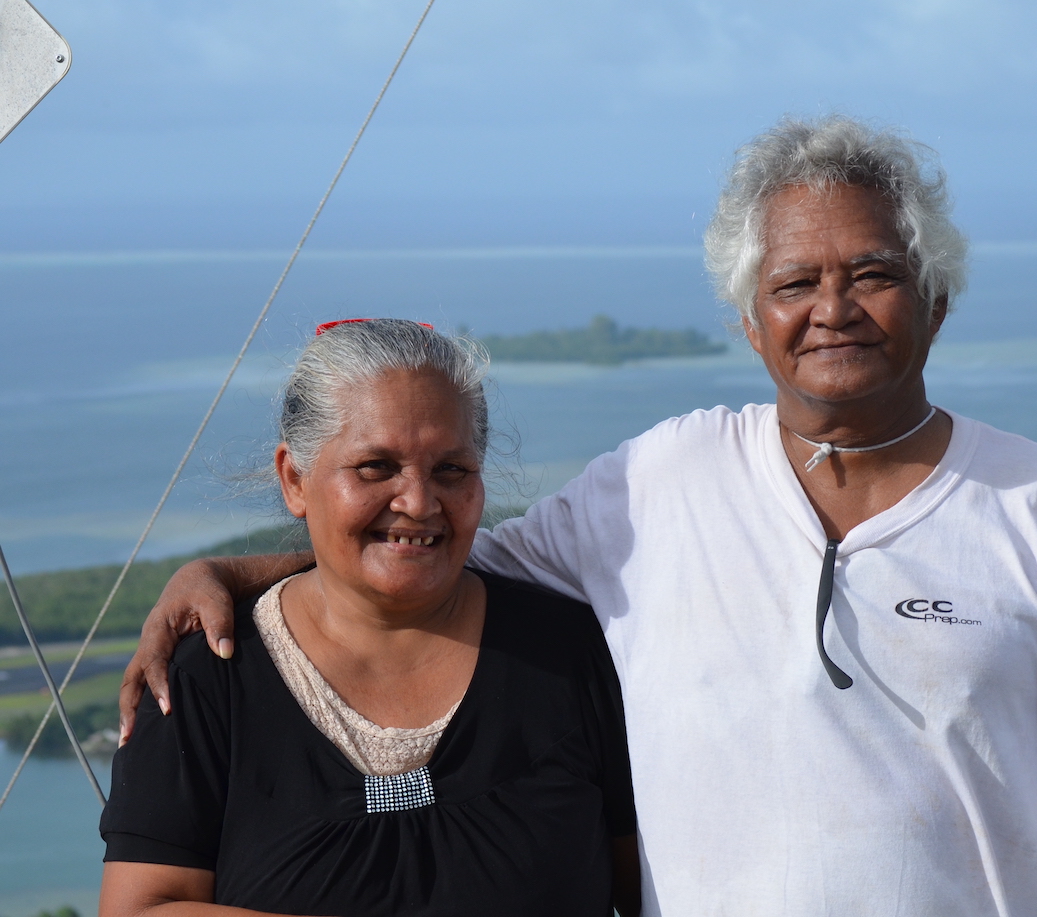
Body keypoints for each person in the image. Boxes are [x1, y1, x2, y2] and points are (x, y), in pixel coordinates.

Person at [120, 116, 1037, 916]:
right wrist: (237, 574)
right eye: (794, 282)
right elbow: (427, 556)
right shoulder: (662, 479)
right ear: (748, 319)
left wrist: (240, 567)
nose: (832, 308)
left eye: (873, 274)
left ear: (937, 298)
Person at [100, 319, 640, 917]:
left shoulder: (571, 656)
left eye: (451, 470)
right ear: (295, 479)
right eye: (376, 467)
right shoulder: (211, 676)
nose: (418, 502)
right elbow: (141, 908)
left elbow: (658, 887)